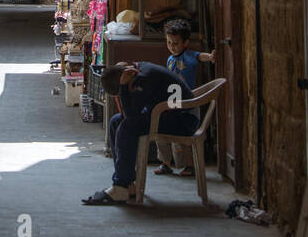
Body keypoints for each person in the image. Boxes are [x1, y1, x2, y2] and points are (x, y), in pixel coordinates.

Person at [82, 60, 199, 205]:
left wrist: (124, 87)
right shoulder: (138, 69)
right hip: (170, 115)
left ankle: (120, 185)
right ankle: (127, 184)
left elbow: (130, 116)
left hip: (184, 120)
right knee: (115, 122)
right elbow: (129, 114)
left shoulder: (142, 79)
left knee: (126, 127)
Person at [154, 19, 216, 176]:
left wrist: (210, 57)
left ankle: (188, 165)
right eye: (169, 43)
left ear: (186, 43)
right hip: (172, 103)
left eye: (175, 43)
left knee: (181, 138)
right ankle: (165, 163)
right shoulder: (169, 60)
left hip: (188, 105)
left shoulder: (189, 56)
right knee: (161, 133)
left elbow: (200, 56)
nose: (172, 47)